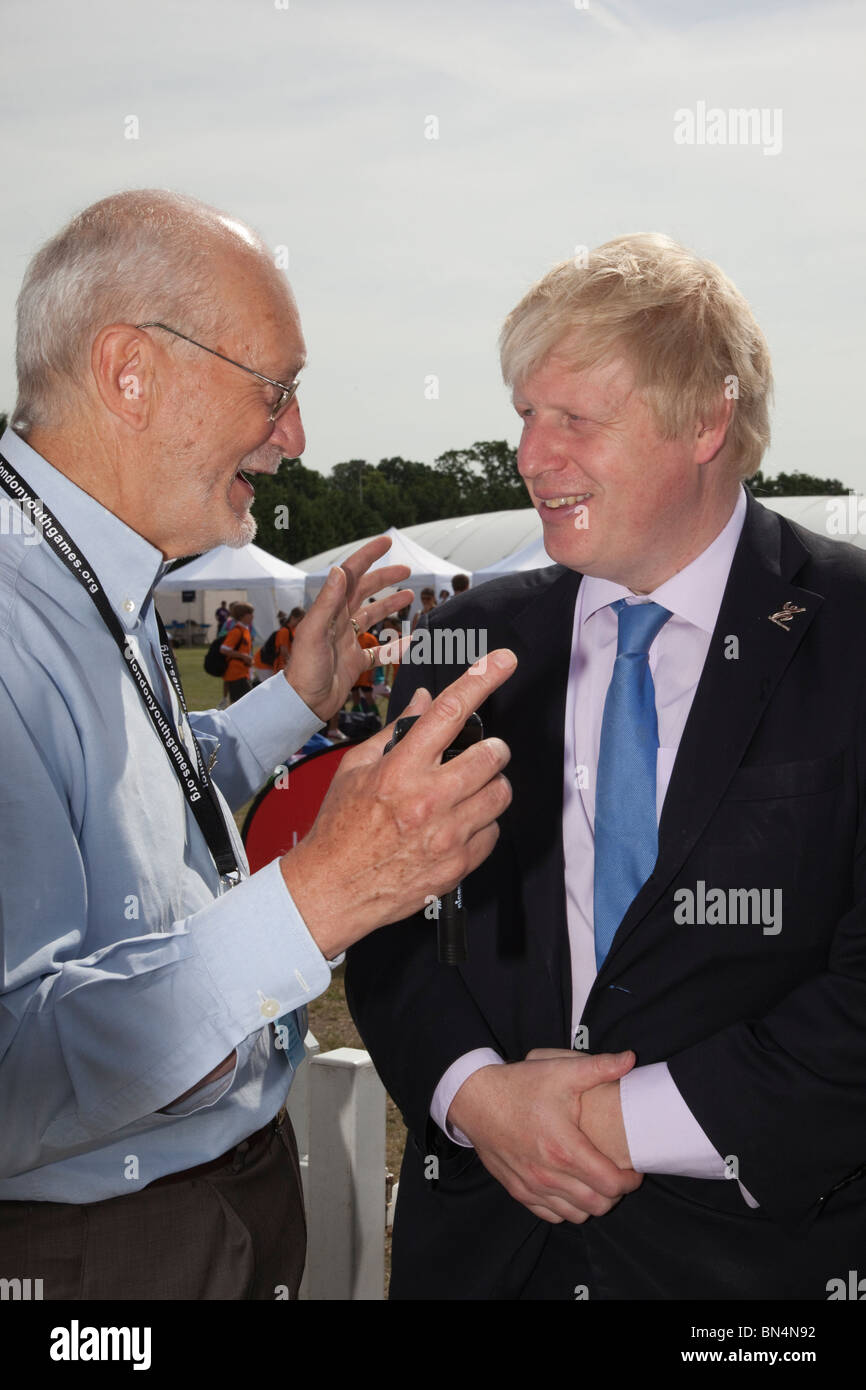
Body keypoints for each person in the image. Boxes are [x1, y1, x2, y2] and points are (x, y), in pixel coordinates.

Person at [0, 189, 516, 1301]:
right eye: (274, 390)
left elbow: (137, 812)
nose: (294, 438)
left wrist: (292, 700)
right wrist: (317, 897)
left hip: (210, 1201)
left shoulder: (91, 568)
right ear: (129, 371)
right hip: (98, 1251)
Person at [346, 232, 866, 1300]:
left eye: (573, 419)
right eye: (523, 417)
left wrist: (599, 1124)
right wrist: (480, 1100)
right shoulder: (467, 643)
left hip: (757, 1267)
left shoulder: (850, 628)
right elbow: (389, 929)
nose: (532, 457)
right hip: (488, 1256)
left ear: (704, 422)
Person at [220, 601, 255, 703]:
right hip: (235, 674)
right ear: (242, 616)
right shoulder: (236, 631)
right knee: (242, 704)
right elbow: (224, 649)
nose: (253, 616)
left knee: (245, 703)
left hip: (243, 673)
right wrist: (244, 656)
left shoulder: (245, 630)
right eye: (250, 614)